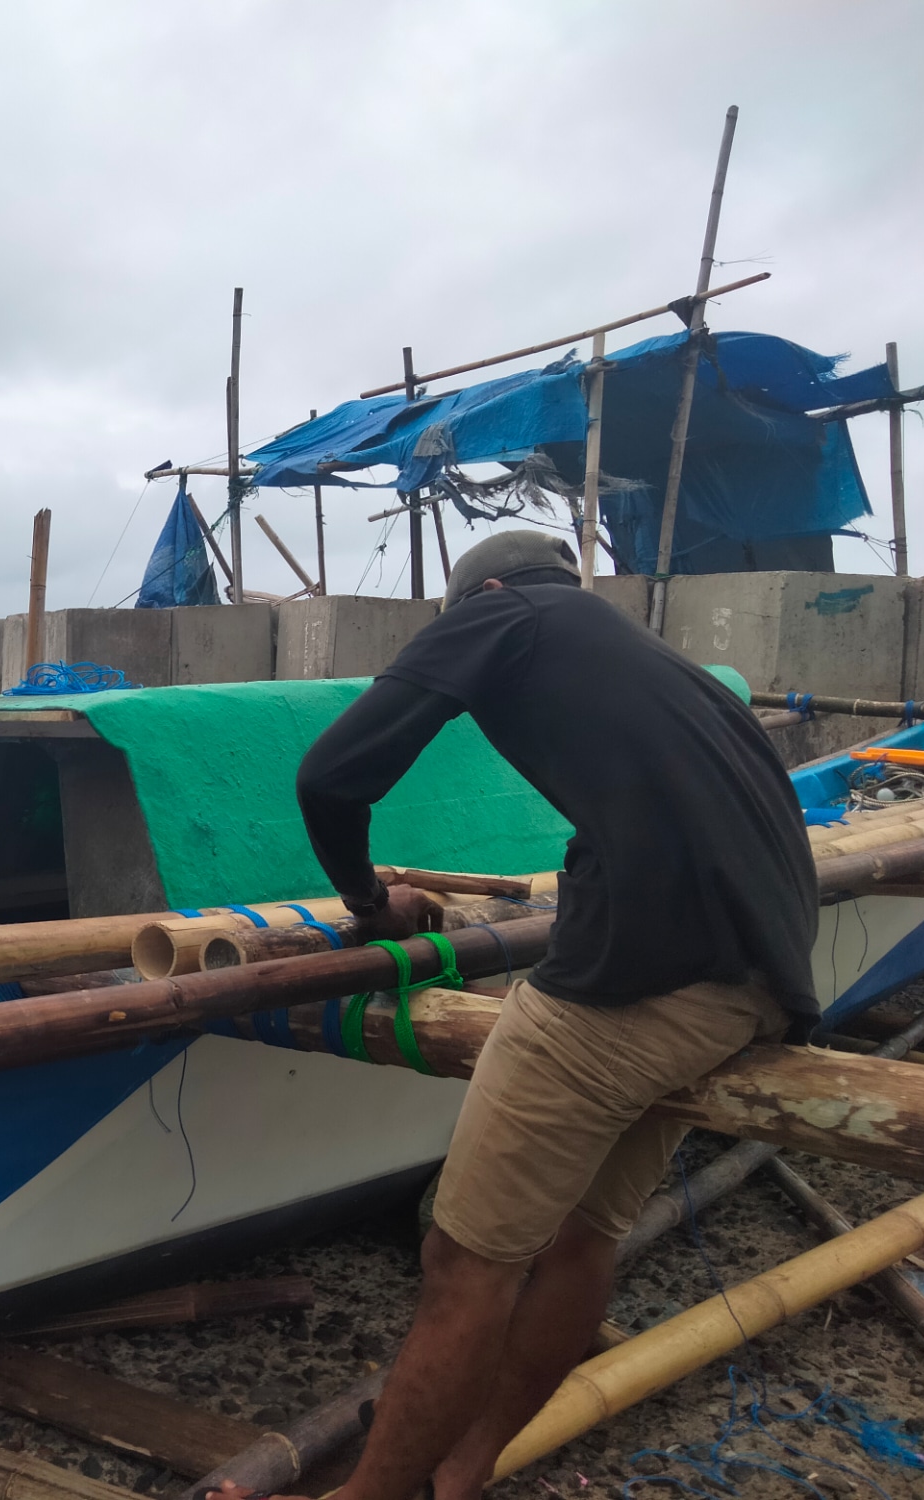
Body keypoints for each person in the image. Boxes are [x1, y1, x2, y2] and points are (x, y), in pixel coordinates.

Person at [281, 530, 817, 1500]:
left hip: (634, 987)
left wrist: (368, 901)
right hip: (755, 980)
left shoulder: (502, 612)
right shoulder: (645, 654)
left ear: (482, 592)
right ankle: (465, 1467)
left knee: (464, 1260)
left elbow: (329, 776)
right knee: (581, 1236)